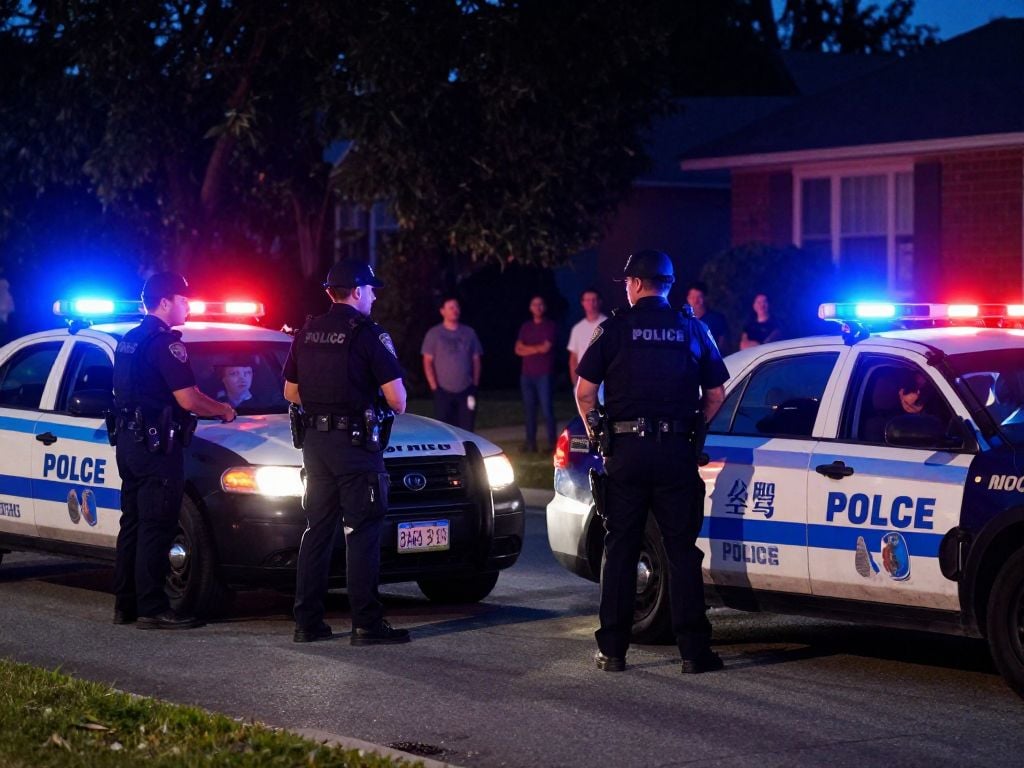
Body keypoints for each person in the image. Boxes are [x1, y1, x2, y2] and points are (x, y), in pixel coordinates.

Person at [575, 249, 728, 674]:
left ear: (637, 284)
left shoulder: (613, 330)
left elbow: (585, 392)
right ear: (667, 284)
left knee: (620, 550)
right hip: (677, 453)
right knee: (681, 552)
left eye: (626, 283)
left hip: (626, 454)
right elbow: (716, 395)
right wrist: (694, 426)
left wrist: (599, 436)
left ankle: (613, 651)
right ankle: (694, 652)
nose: (625, 290)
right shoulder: (694, 329)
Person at [283, 259, 410, 646]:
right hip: (355, 447)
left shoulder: (306, 333)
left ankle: (307, 622)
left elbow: (290, 393)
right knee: (362, 533)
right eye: (371, 289)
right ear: (356, 291)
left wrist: (324, 405)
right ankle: (367, 624)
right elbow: (398, 400)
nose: (373, 296)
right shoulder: (369, 334)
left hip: (316, 446)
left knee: (317, 531)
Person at [112, 272, 236, 630]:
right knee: (158, 525)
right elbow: (188, 398)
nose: (187, 305)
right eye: (183, 300)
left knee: (133, 523)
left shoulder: (130, 340)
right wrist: (224, 410)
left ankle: (127, 604)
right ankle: (153, 607)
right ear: (165, 302)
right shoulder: (167, 345)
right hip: (157, 446)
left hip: (130, 443)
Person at [421, 296, 483, 431]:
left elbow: (476, 359)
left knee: (467, 427)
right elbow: (427, 362)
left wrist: (475, 385)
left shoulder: (469, 333)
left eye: (457, 307)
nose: (455, 310)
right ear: (442, 311)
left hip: (467, 390)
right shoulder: (434, 334)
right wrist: (435, 387)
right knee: (445, 429)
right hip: (443, 392)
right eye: (451, 308)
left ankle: (468, 452)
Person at [515, 295, 557, 453]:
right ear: (530, 308)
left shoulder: (549, 326)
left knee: (547, 410)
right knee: (529, 410)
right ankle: (530, 443)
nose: (537, 307)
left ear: (544, 307)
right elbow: (517, 349)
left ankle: (552, 444)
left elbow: (546, 348)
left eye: (540, 304)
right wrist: (536, 348)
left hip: (544, 374)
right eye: (534, 304)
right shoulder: (526, 327)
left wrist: (528, 349)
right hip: (526, 375)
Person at [567, 288, 607, 393]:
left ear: (600, 302)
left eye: (594, 299)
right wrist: (575, 384)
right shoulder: (578, 328)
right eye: (588, 300)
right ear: (582, 303)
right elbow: (573, 358)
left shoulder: (608, 324)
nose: (591, 303)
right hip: (583, 380)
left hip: (604, 380)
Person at [685, 281, 731, 355]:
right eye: (692, 297)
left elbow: (724, 345)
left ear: (705, 298)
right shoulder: (683, 321)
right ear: (688, 299)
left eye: (699, 297)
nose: (696, 301)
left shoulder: (717, 319)